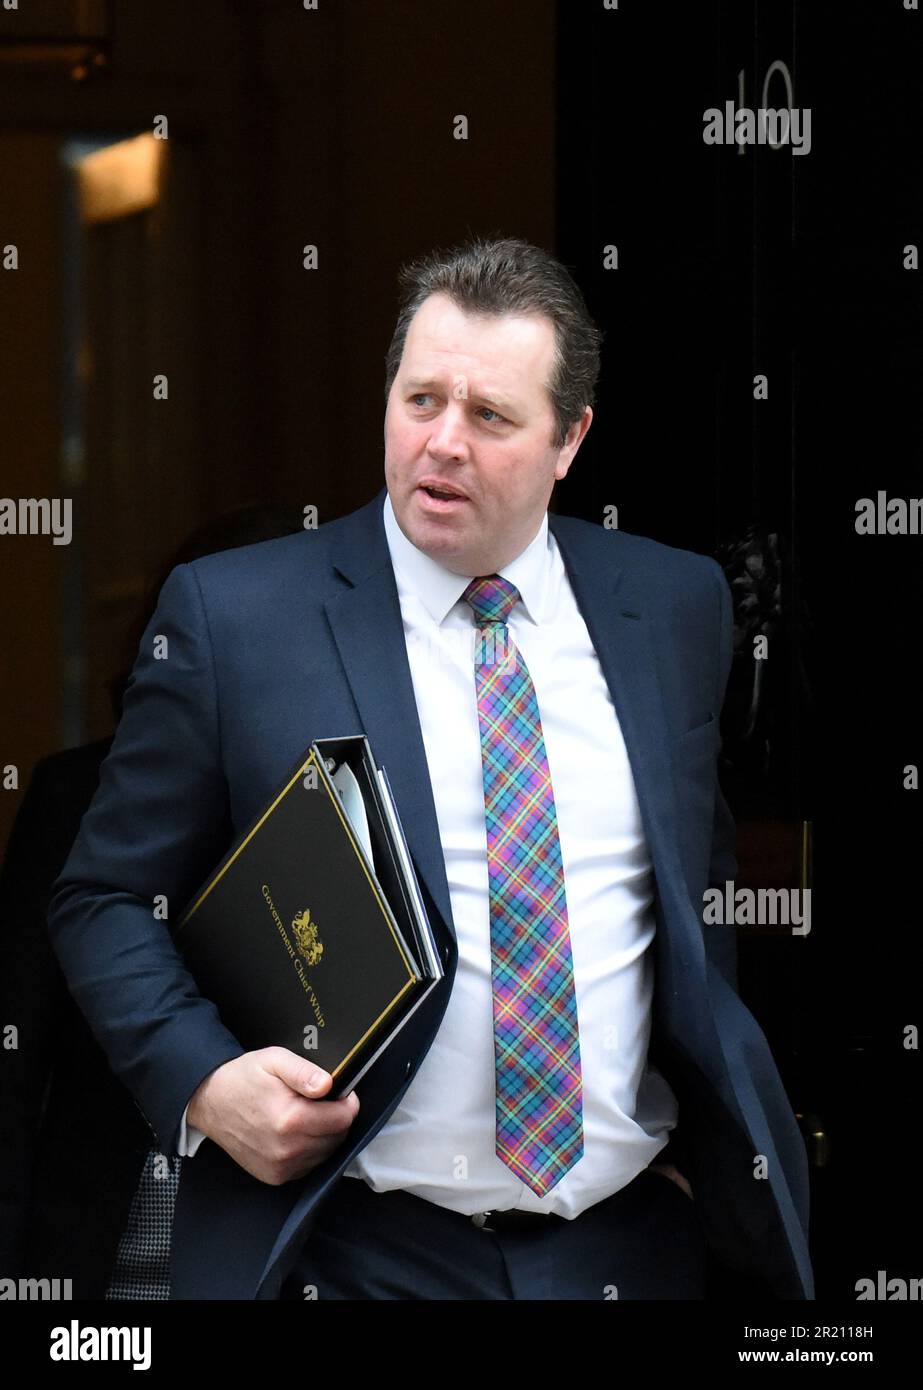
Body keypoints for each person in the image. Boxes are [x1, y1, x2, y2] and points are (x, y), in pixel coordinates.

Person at [47, 236, 813, 1301]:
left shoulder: (671, 607)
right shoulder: (238, 618)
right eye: (420, 401)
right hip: (356, 1245)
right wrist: (207, 1080)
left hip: (629, 1244)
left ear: (569, 437)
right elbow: (104, 895)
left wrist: (690, 1158)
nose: (441, 443)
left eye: (489, 416)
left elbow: (690, 892)